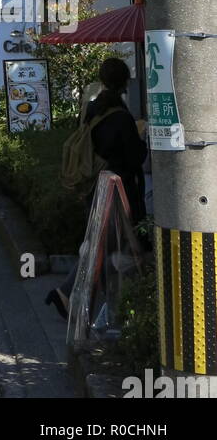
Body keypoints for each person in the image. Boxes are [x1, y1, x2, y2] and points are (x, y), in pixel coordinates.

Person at [46, 57, 148, 318]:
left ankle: (77, 298)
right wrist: (141, 138)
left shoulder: (92, 108)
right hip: (118, 188)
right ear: (125, 82)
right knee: (107, 246)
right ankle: (106, 306)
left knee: (100, 243)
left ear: (103, 80)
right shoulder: (122, 118)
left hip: (95, 183)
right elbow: (135, 157)